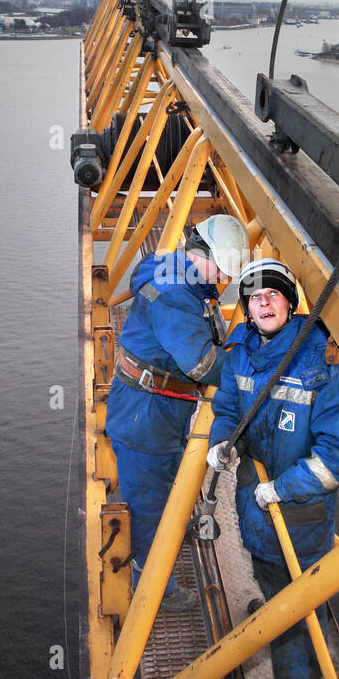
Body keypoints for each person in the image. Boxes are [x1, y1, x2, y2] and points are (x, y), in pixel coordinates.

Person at [206, 258, 339, 679]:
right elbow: (229, 410)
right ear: (248, 309)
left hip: (299, 521)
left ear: (291, 303)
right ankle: (274, 606)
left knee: (294, 616)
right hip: (255, 512)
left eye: (273, 292)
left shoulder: (324, 360)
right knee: (273, 582)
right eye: (254, 296)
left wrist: (281, 489)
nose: (263, 301)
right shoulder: (240, 351)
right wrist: (224, 443)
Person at [106, 214, 250, 611]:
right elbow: (200, 365)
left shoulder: (172, 267)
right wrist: (252, 370)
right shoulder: (173, 294)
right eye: (220, 269)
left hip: (156, 408)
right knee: (148, 503)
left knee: (162, 483)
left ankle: (163, 540)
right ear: (200, 253)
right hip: (145, 417)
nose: (222, 280)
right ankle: (152, 585)